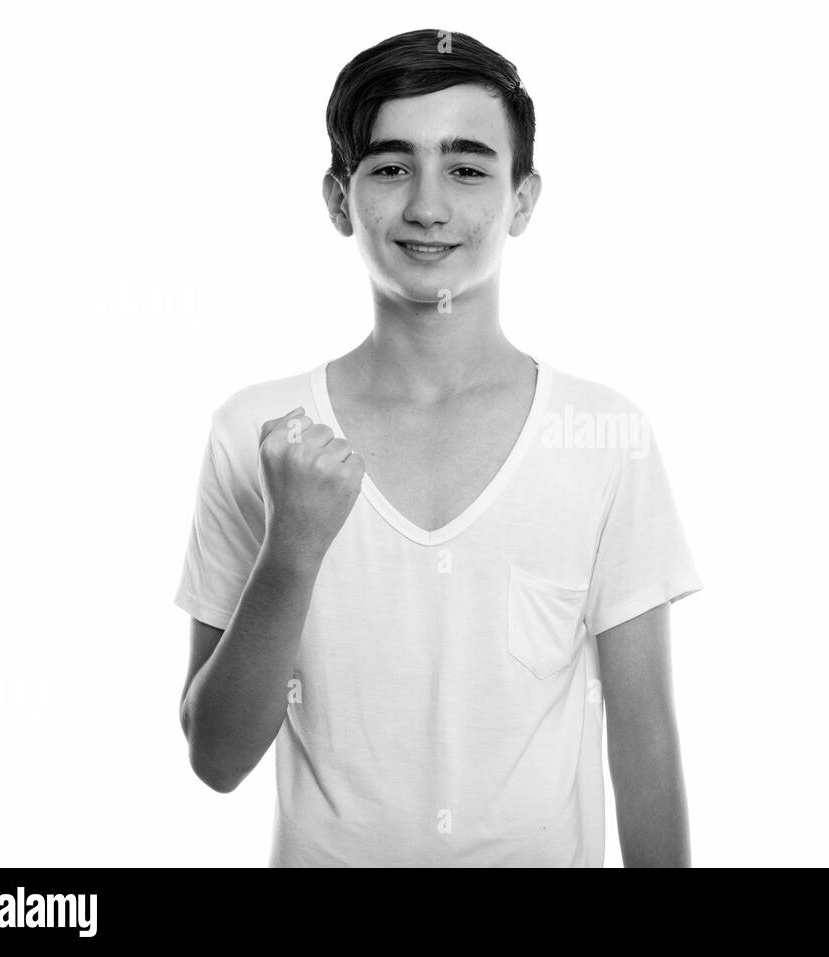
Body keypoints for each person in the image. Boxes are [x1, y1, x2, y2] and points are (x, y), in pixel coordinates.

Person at [174, 28, 702, 867]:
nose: (427, 205)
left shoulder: (604, 435)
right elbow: (216, 757)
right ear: (339, 199)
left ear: (523, 200)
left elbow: (644, 743)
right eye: (389, 167)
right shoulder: (258, 434)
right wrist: (293, 549)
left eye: (466, 167)